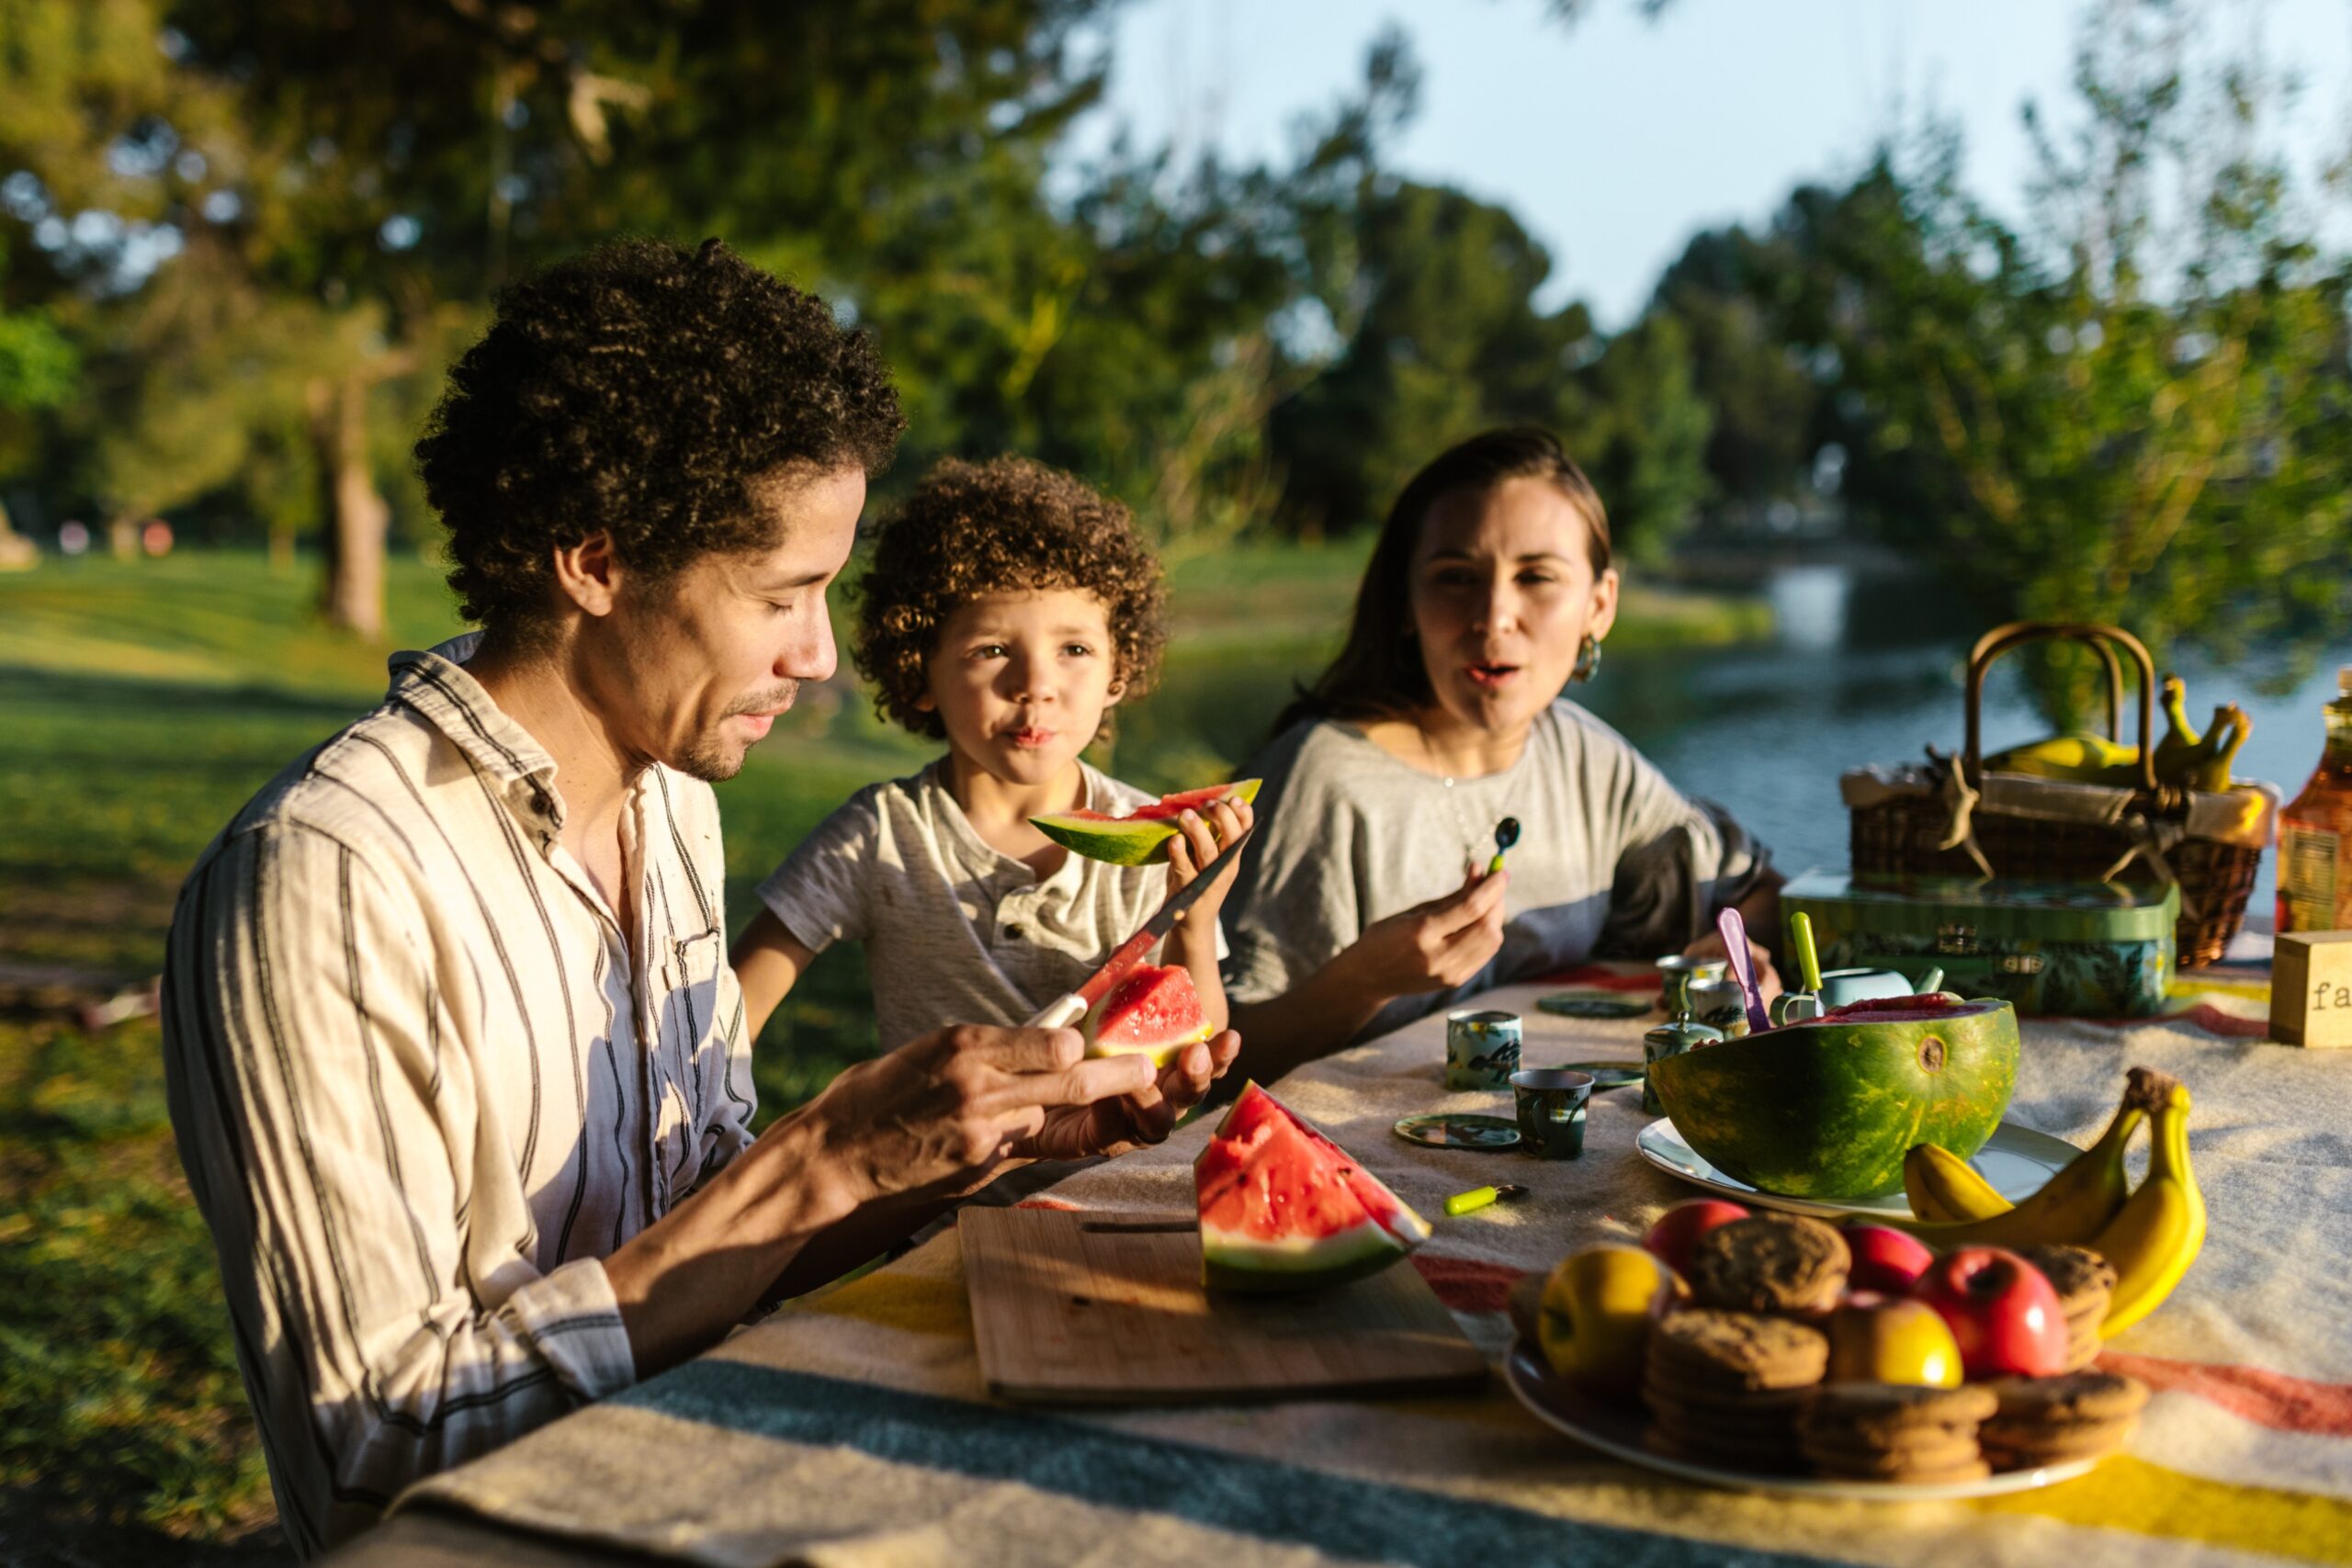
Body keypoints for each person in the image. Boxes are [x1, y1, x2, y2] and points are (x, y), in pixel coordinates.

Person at [159, 239, 1238, 1556]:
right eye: (782, 592)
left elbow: (703, 1242)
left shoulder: (672, 792)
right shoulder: (321, 883)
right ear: (597, 561)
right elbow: (373, 1454)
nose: (822, 651)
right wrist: (819, 1161)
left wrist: (978, 1147)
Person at [1223, 427, 1781, 1082]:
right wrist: (1364, 982)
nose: (1492, 616)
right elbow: (1217, 1065)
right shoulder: (1321, 777)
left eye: (1537, 576)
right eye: (1456, 577)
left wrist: (1743, 955)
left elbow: (1752, 888)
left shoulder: (1581, 753)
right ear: (1406, 601)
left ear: (1599, 606)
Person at [731, 457, 1250, 1049]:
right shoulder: (878, 835)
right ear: (917, 673)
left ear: (1118, 673)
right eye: (993, 649)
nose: (1036, 683)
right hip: (929, 1144)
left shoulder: (1154, 846)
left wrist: (1196, 917)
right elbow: (731, 1015)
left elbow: (1195, 1050)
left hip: (1115, 1147)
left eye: (1074, 649)